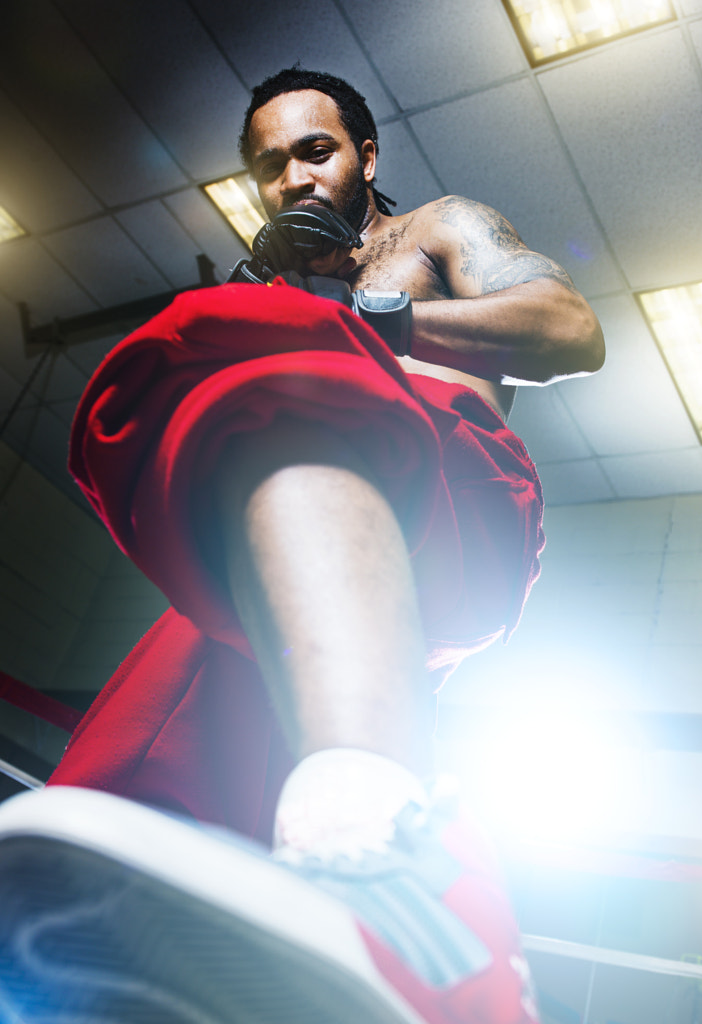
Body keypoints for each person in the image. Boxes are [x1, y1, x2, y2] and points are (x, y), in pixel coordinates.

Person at [48, 68, 604, 1023]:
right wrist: (276, 300)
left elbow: (571, 331)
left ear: (365, 155)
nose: (297, 180)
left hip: (452, 503)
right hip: (291, 578)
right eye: (272, 167)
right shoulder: (269, 285)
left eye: (317, 150)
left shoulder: (435, 229)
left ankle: (385, 846)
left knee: (278, 373)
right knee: (119, 812)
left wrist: (365, 317)